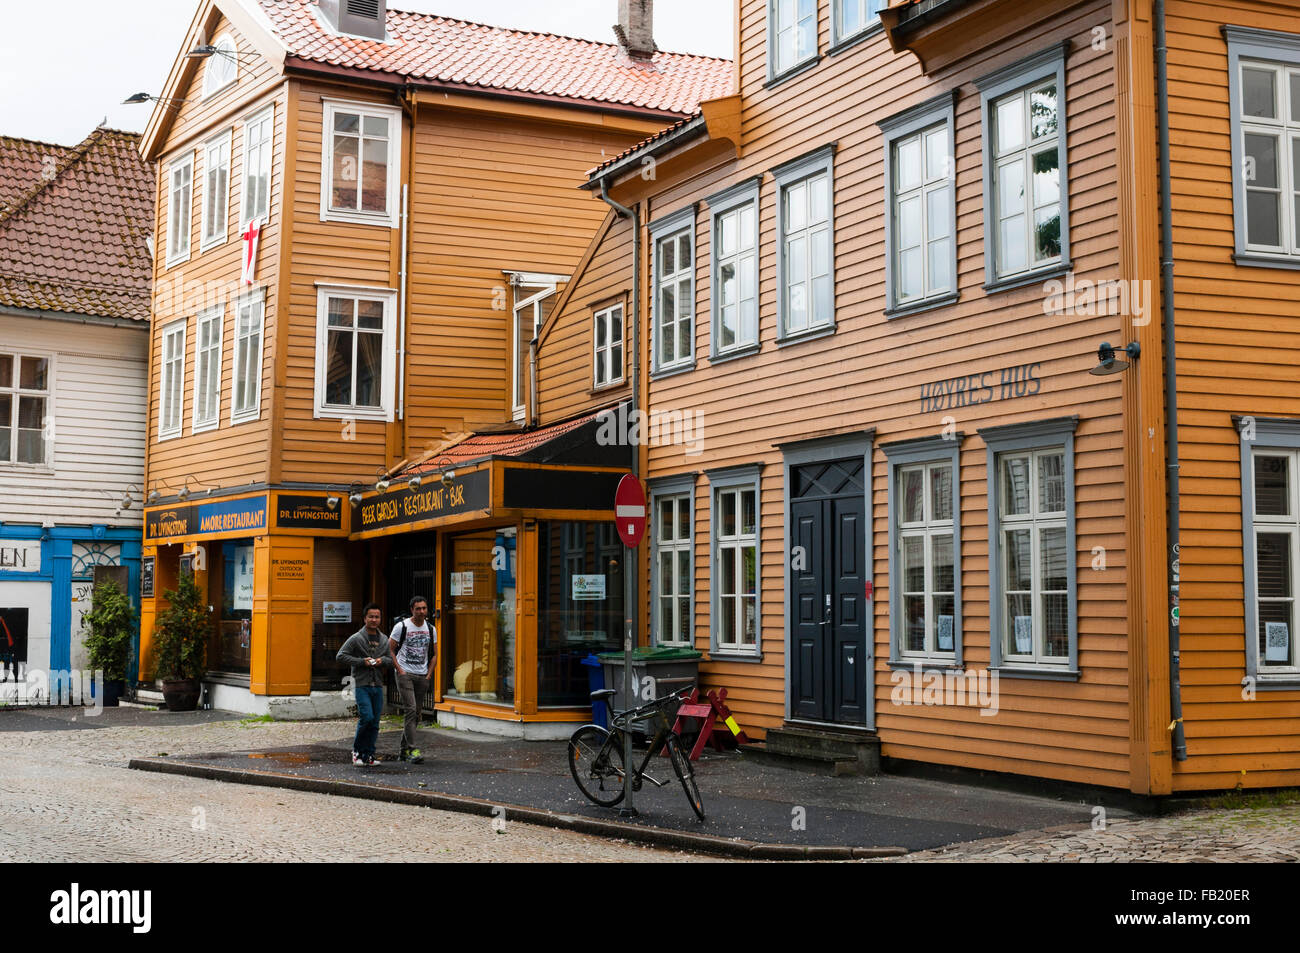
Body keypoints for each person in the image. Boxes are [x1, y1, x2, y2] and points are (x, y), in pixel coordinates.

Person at [336, 603, 392, 767]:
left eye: (377, 617)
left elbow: (390, 660)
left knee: (375, 721)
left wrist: (382, 661)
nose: (374, 620)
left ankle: (369, 755)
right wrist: (362, 662)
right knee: (366, 716)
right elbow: (341, 656)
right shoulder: (356, 638)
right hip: (361, 684)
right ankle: (357, 751)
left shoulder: (383, 639)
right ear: (365, 618)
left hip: (377, 685)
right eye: (371, 617)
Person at [390, 595, 436, 763]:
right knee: (410, 709)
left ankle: (403, 750)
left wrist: (429, 674)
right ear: (412, 610)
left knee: (415, 713)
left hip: (422, 675)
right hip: (405, 674)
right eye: (418, 609)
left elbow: (435, 654)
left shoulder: (431, 629)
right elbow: (390, 650)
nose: (422, 612)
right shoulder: (401, 627)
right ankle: (413, 750)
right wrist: (400, 670)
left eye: (424, 608)